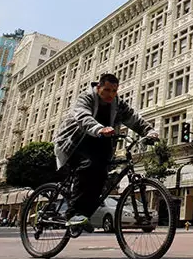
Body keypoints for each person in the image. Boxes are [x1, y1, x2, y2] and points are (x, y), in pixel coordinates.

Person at [53, 73, 159, 231]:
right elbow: (83, 117)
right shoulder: (86, 98)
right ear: (98, 87)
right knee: (88, 166)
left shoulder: (117, 103)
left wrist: (149, 131)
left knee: (103, 175)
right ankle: (73, 214)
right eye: (107, 90)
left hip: (100, 143)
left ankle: (84, 216)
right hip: (74, 142)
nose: (111, 94)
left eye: (114, 91)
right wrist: (100, 128)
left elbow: (133, 118)